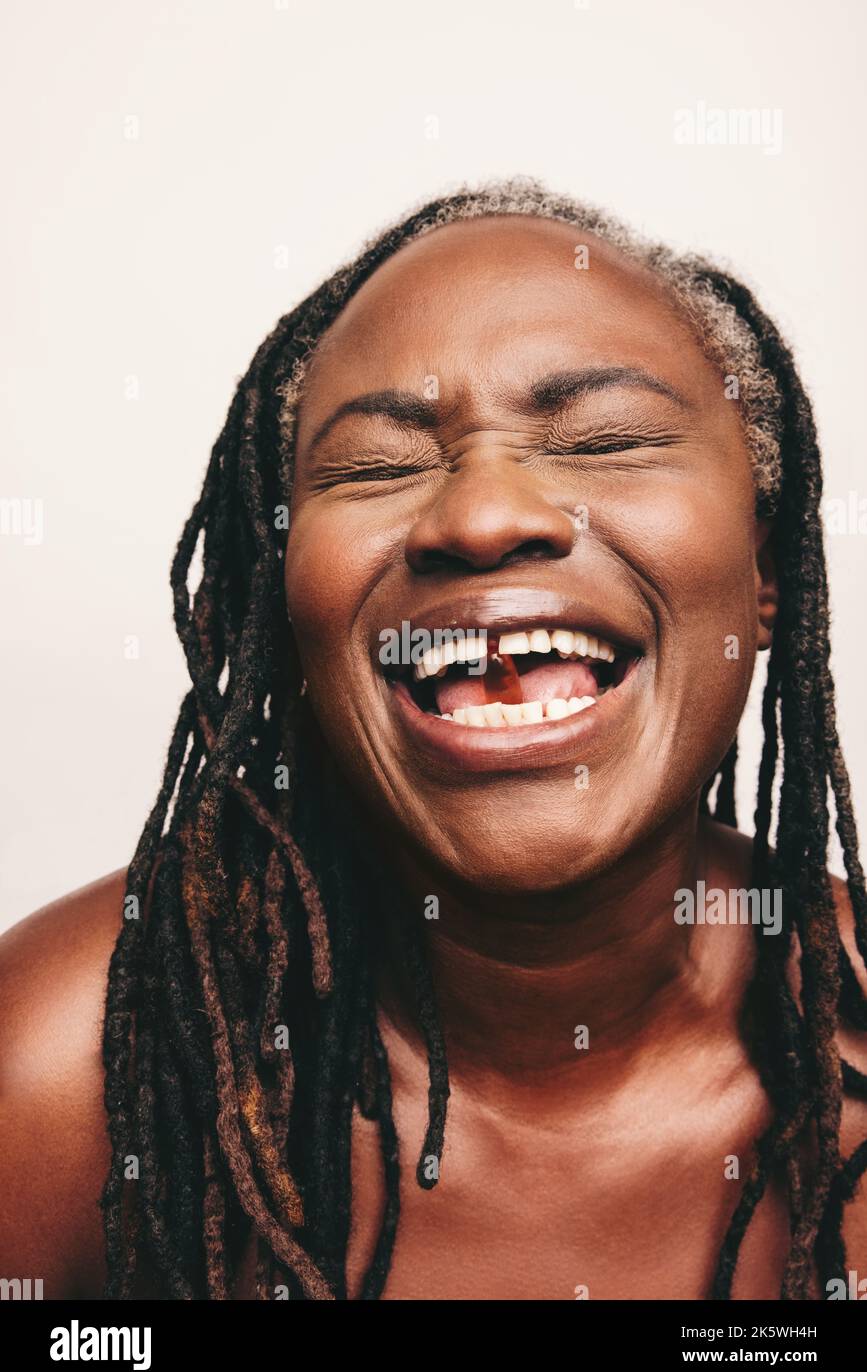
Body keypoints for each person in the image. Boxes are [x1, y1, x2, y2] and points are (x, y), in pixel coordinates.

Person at [2, 176, 866, 1301]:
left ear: (764, 573)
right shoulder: (59, 1077)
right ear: (279, 603)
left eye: (604, 439)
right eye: (377, 465)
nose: (482, 514)